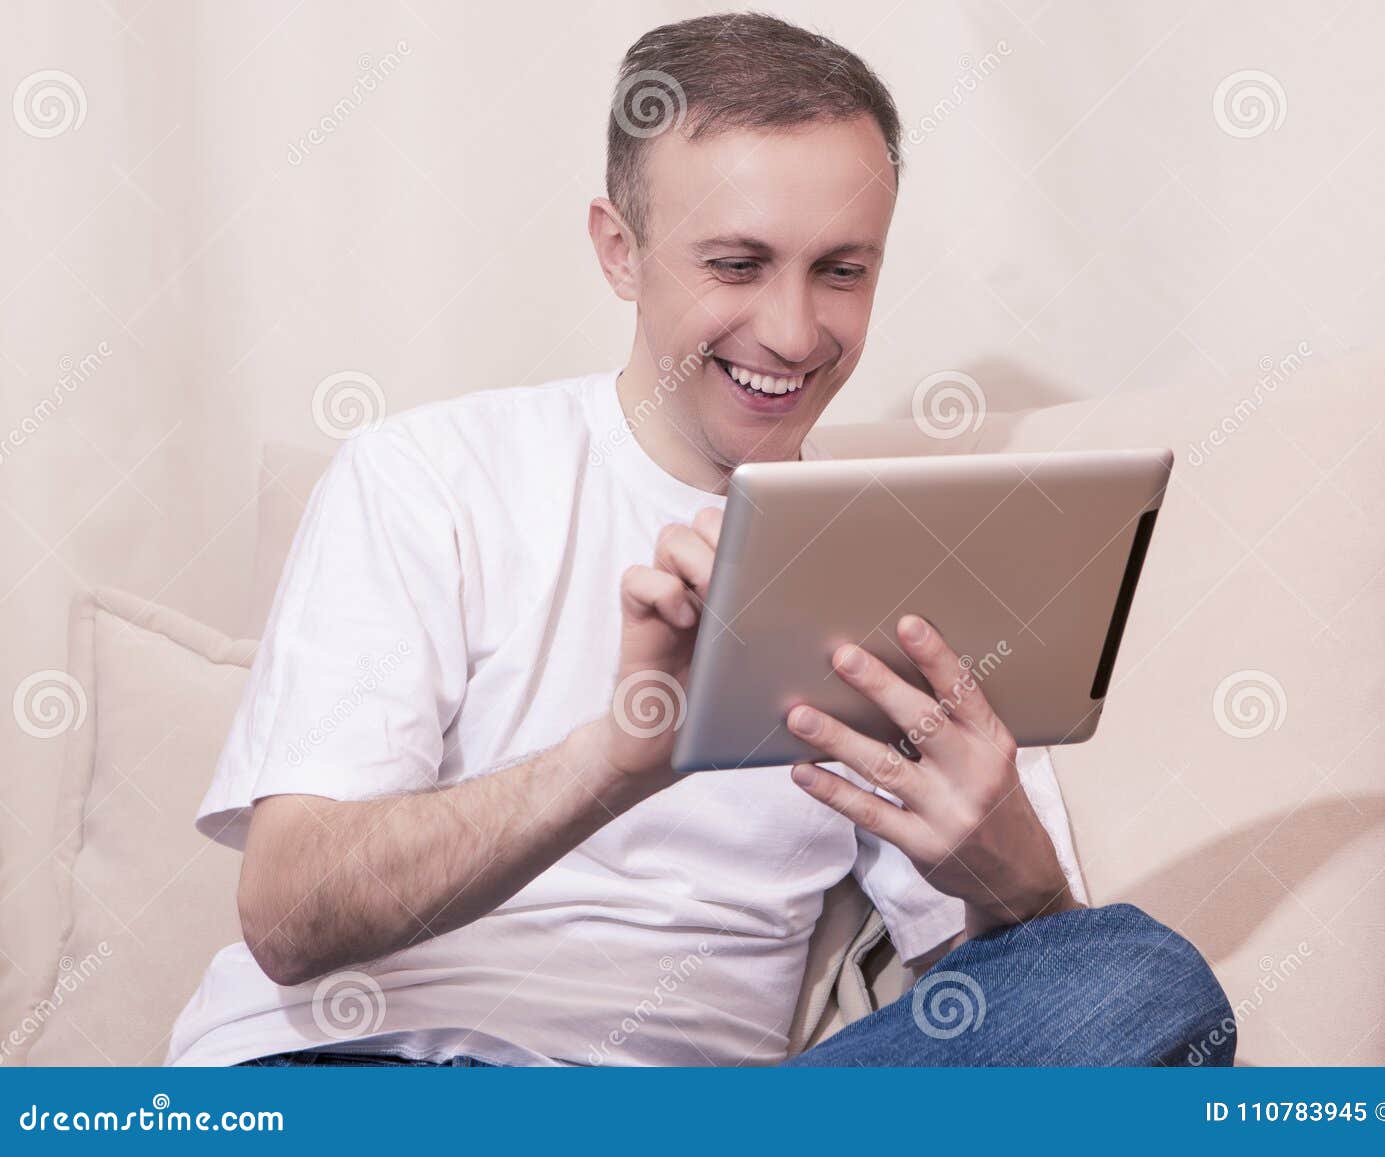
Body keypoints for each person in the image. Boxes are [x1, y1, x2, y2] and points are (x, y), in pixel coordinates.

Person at [167, 11, 1235, 1069]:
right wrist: (619, 758)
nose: (793, 330)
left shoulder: (907, 565)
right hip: (364, 1079)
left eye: (842, 269)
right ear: (618, 251)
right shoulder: (427, 477)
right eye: (736, 263)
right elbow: (287, 915)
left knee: (1144, 979)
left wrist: (1016, 878)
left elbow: (1048, 1002)